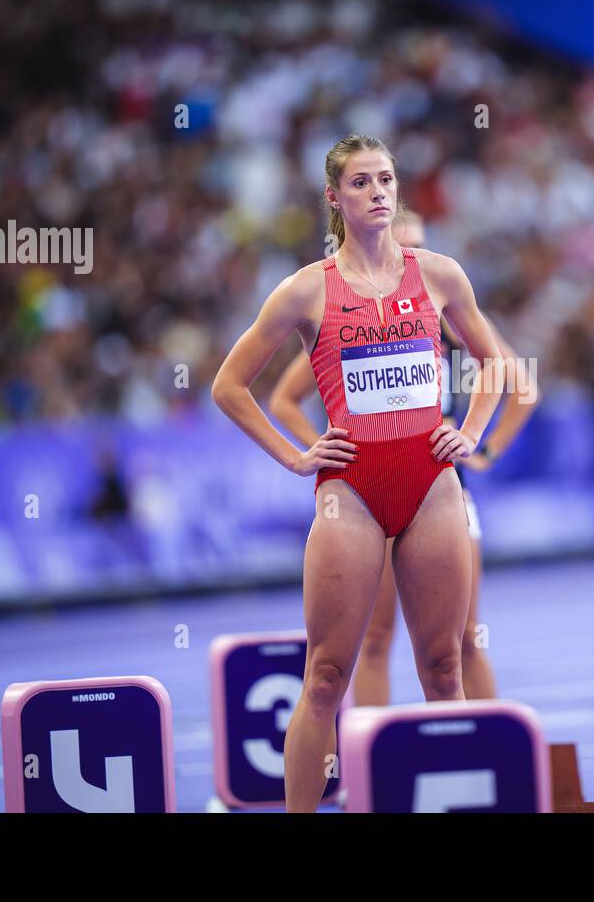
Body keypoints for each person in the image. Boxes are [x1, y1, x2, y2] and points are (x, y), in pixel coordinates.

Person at [212, 134, 503, 812]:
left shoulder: (439, 274)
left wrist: (471, 433)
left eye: (387, 180)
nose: (378, 192)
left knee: (443, 667)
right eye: (363, 182)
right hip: (351, 495)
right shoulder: (305, 291)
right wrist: (294, 454)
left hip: (432, 487)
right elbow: (230, 386)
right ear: (334, 198)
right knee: (324, 677)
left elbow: (495, 365)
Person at [266, 210, 541, 705]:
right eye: (402, 242)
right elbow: (283, 396)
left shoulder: (445, 303)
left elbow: (522, 387)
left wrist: (482, 444)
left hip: (440, 487)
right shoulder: (352, 316)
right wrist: (318, 447)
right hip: (368, 487)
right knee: (374, 638)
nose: (408, 255)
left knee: (462, 642)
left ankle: (488, 759)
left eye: (418, 244)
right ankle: (377, 764)